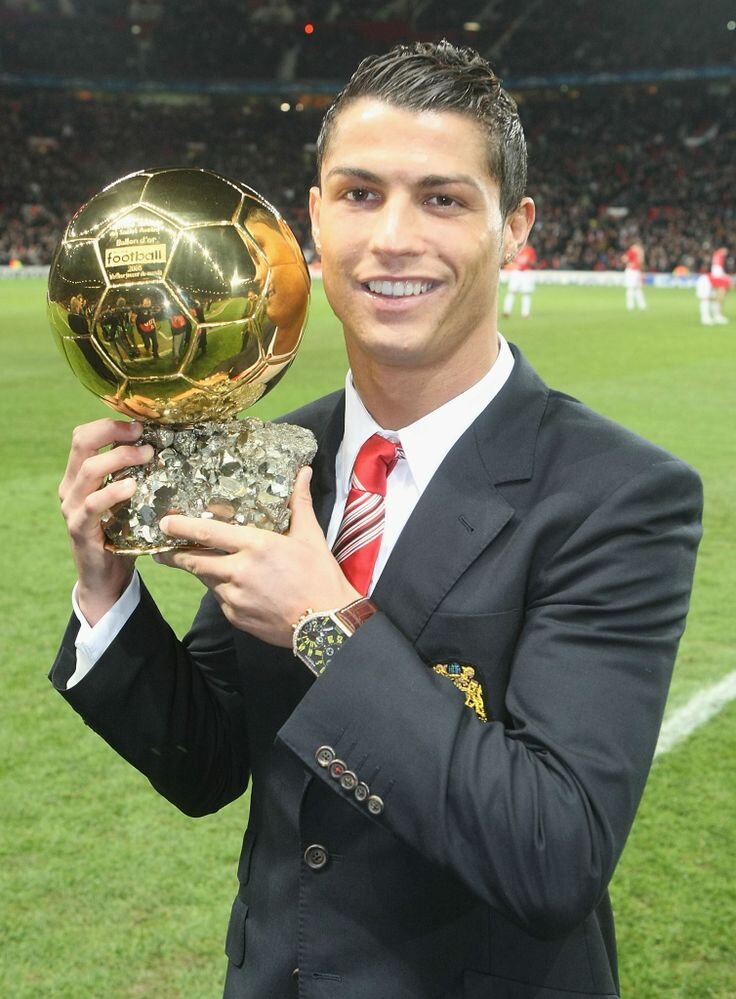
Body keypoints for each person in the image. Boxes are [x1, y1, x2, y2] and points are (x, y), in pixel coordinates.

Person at [51, 41, 702, 999]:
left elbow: (552, 853)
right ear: (314, 218)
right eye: (360, 194)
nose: (393, 237)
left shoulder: (620, 493)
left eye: (443, 199)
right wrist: (107, 592)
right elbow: (209, 763)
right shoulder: (277, 456)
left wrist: (325, 621)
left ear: (514, 228)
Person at [501, 240, 537, 318]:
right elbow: (507, 260)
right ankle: (507, 311)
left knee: (526, 293)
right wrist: (513, 265)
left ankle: (525, 313)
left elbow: (533, 262)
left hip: (526, 273)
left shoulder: (529, 250)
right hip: (516, 272)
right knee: (511, 292)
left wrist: (527, 261)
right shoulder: (514, 249)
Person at [622, 239, 647, 310]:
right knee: (631, 288)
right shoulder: (633, 250)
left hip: (635, 271)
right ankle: (631, 305)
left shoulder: (636, 250)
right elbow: (624, 258)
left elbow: (640, 262)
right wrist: (629, 263)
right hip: (631, 271)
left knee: (637, 288)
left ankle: (641, 305)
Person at [708, 246, 730, 324]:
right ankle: (717, 315)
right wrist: (724, 276)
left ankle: (715, 315)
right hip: (718, 277)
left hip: (715, 276)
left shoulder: (716, 255)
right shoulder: (719, 256)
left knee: (716, 297)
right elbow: (717, 268)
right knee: (719, 297)